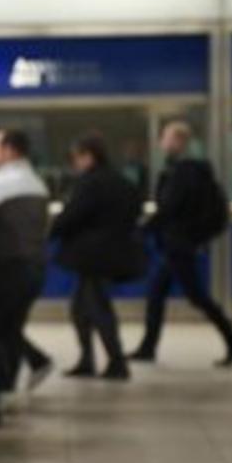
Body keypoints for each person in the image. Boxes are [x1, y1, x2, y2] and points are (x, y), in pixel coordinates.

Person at [130, 121, 232, 366]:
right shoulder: (180, 170)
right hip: (178, 243)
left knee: (197, 297)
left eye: (166, 137)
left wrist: (143, 229)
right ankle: (148, 347)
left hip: (179, 244)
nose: (162, 141)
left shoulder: (185, 171)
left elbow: (169, 208)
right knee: (157, 293)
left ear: (179, 142)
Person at [51, 132, 145, 380]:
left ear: (88, 156)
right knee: (81, 307)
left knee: (97, 307)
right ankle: (87, 359)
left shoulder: (90, 183)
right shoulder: (122, 182)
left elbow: (72, 215)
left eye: (76, 157)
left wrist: (52, 231)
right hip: (114, 252)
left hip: (94, 256)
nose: (74, 163)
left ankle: (116, 361)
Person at [0, 130, 53, 402]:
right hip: (35, 267)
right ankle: (17, 378)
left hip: (6, 267)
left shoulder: (1, 183)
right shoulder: (37, 183)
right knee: (9, 326)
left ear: (9, 150)